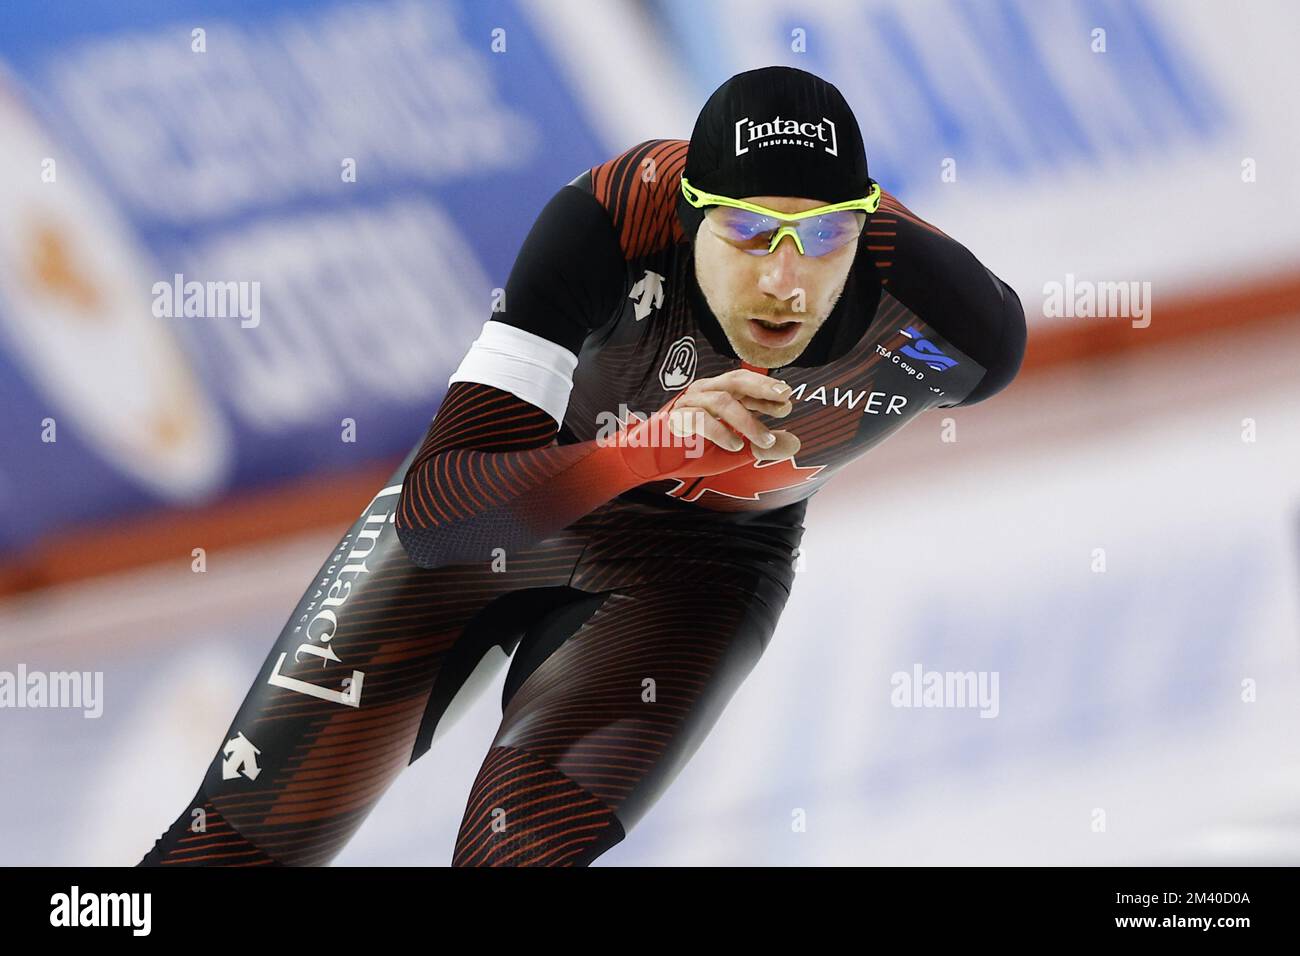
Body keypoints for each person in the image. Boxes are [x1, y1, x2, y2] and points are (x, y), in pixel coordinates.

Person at [137, 65, 1025, 867]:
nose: (786, 280)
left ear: (864, 229)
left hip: (700, 572)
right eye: (751, 233)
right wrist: (646, 450)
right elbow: (442, 511)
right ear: (688, 219)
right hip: (518, 494)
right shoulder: (612, 219)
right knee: (232, 854)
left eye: (822, 238)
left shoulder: (953, 322)